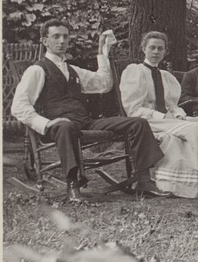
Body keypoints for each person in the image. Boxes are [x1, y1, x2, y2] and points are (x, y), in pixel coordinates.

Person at [11, 20, 167, 202]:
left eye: (65, 37)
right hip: (58, 126)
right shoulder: (37, 70)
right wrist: (45, 123)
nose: (62, 41)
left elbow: (103, 83)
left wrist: (102, 50)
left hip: (84, 121)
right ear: (45, 41)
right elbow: (19, 106)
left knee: (138, 122)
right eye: (56, 36)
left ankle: (143, 180)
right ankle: (72, 185)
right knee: (65, 126)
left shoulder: (72, 70)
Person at [120, 31, 198, 199]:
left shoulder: (166, 76)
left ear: (165, 51)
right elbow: (133, 109)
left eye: (160, 49)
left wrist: (178, 114)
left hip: (169, 119)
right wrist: (163, 117)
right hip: (147, 120)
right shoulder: (135, 72)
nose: (156, 52)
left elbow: (172, 105)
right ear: (143, 49)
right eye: (152, 48)